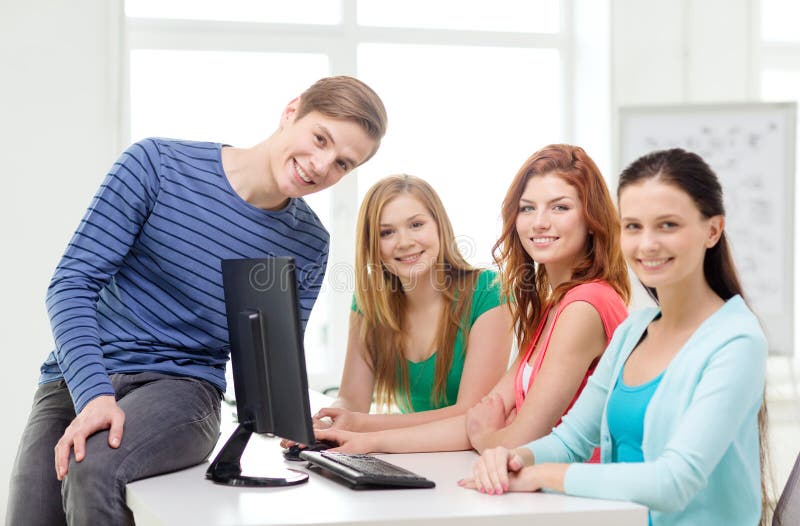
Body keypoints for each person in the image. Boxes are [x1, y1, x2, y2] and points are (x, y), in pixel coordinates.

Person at [6, 76, 387, 526]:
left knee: (94, 467)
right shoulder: (157, 165)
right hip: (77, 377)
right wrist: (94, 395)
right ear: (291, 111)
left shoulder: (307, 241)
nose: (321, 165)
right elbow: (71, 283)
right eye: (320, 138)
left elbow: (269, 362)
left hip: (183, 390)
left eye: (343, 163)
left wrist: (294, 421)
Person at [459, 148, 769, 526]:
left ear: (712, 230)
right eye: (634, 226)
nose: (647, 244)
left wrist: (541, 475)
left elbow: (674, 480)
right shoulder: (633, 332)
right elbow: (570, 440)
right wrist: (512, 459)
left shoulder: (737, 341)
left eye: (668, 225)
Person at [314, 144, 630, 454]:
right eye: (527, 208)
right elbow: (485, 419)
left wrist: (485, 437)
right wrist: (366, 440)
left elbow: (512, 438)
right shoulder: (554, 308)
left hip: (586, 496)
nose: (539, 222)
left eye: (559, 207)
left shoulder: (584, 306)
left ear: (591, 217)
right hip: (557, 487)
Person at [309, 175, 513, 434]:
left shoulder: (489, 290)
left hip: (476, 457)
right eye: (387, 232)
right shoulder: (369, 301)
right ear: (373, 244)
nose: (404, 242)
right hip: (412, 454)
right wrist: (326, 423)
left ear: (439, 225)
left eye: (416, 225)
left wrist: (362, 424)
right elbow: (352, 400)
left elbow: (471, 412)